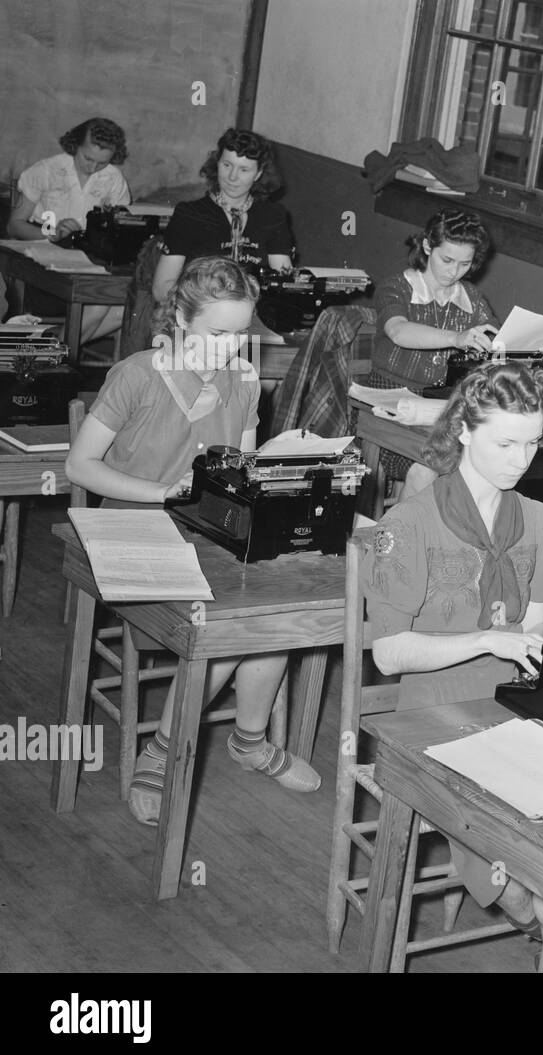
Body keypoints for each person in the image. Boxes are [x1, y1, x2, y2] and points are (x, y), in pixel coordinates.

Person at [360, 360, 543, 963]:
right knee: (484, 809)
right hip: (431, 710)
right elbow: (388, 655)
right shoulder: (408, 524)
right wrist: (486, 641)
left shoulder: (541, 522)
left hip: (510, 698)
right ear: (464, 430)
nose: (521, 460)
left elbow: (539, 623)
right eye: (504, 442)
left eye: (531, 442)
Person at [66, 255, 317, 826]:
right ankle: (162, 750)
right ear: (180, 316)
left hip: (206, 530)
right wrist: (162, 492)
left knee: (278, 611)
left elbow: (245, 464)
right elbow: (80, 466)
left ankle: (248, 741)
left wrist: (284, 474)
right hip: (131, 528)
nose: (230, 348)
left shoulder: (243, 378)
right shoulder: (135, 375)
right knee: (229, 624)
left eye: (240, 334)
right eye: (217, 333)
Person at [368, 209, 499, 482]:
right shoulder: (397, 287)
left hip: (442, 410)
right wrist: (456, 338)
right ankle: (401, 526)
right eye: (447, 260)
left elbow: (496, 345)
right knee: (427, 470)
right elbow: (399, 331)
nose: (454, 272)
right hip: (390, 407)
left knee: (483, 467)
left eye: (465, 263)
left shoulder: (472, 298)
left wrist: (538, 355)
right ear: (427, 246)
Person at [6, 117, 131, 341]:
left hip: (88, 260)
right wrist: (51, 233)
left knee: (122, 308)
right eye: (88, 158)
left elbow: (121, 227)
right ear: (75, 144)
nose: (93, 168)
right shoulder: (46, 170)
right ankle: (55, 354)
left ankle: (51, 352)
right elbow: (14, 225)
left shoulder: (113, 178)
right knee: (99, 302)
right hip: (41, 266)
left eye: (102, 163)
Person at [152, 128, 294, 303]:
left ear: (258, 174)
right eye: (227, 165)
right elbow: (161, 288)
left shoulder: (273, 215)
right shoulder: (189, 214)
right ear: (216, 163)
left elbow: (282, 282)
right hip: (197, 312)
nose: (232, 177)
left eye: (244, 170)